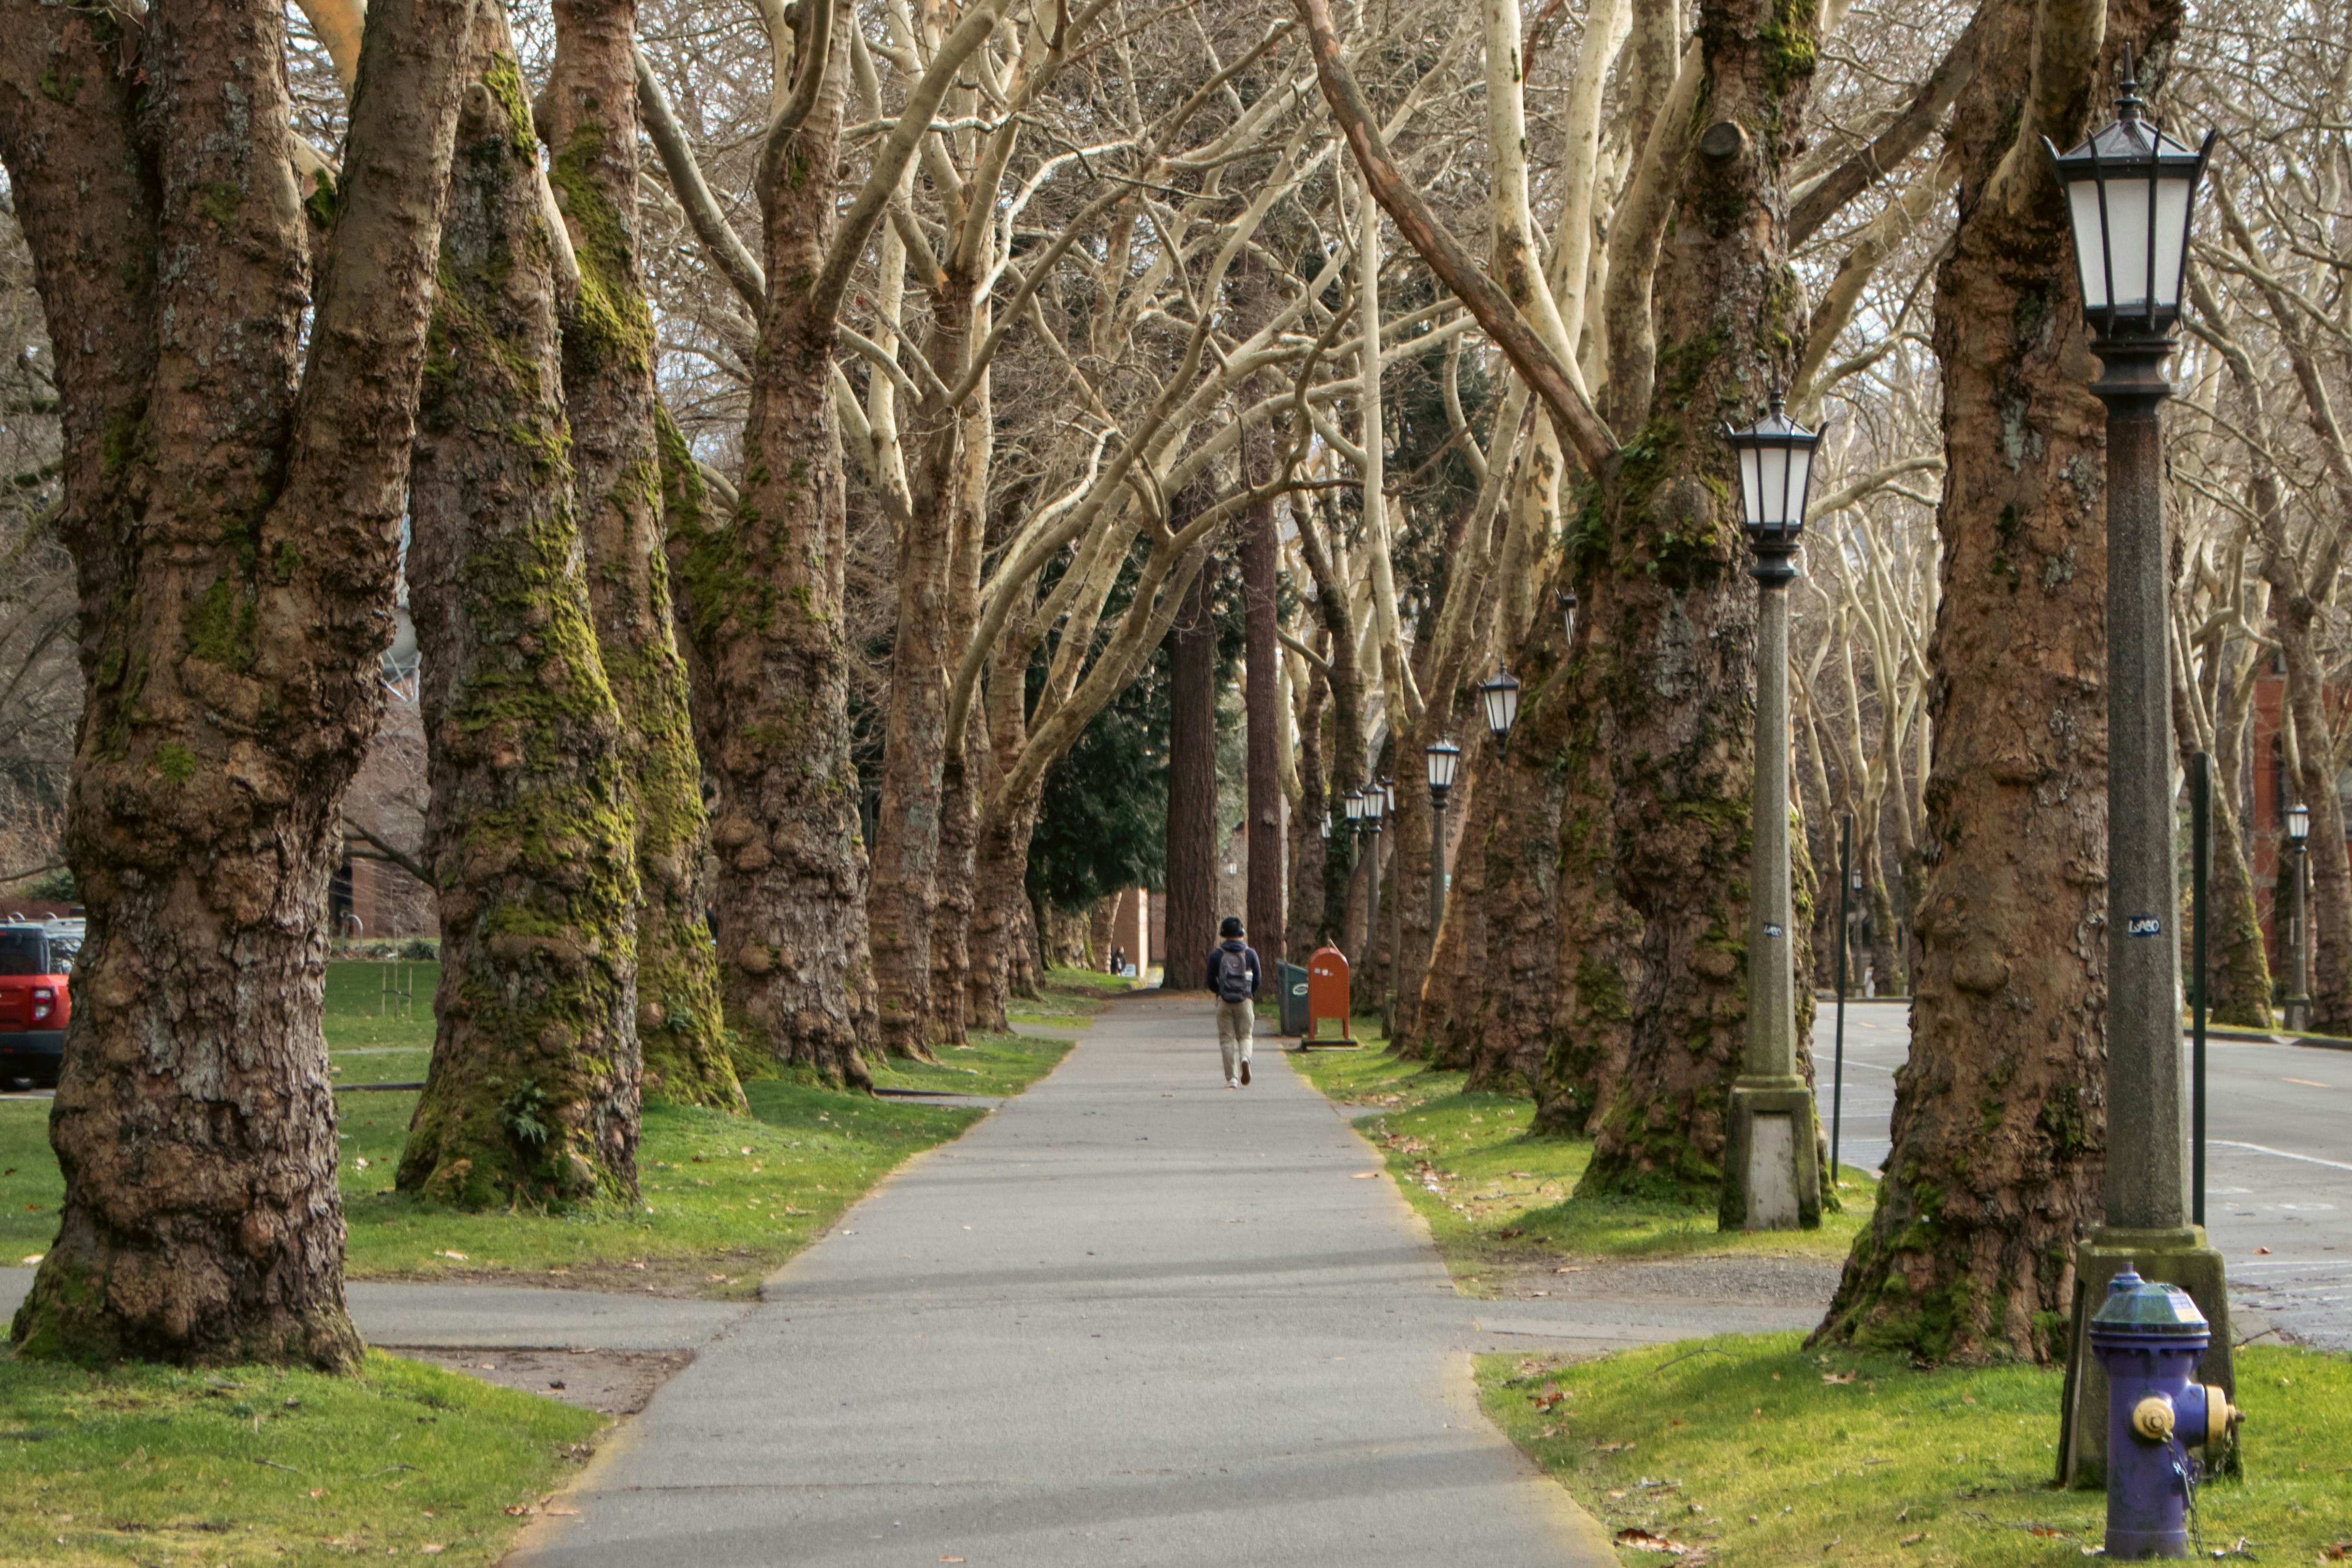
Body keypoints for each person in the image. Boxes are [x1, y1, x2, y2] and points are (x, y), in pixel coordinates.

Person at [1206, 916, 1260, 1088]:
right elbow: (1258, 979)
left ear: (1223, 934)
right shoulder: (1250, 954)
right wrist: (1249, 994)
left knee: (1226, 1040)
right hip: (1245, 1000)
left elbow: (1210, 981)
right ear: (1242, 933)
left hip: (1224, 1001)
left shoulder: (1216, 955)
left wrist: (1220, 992)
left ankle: (1232, 1079)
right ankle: (1245, 1059)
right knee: (1245, 1036)